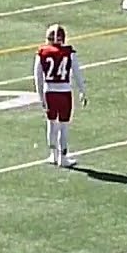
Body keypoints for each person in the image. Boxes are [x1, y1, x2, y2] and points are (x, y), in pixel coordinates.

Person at [34, 24, 87, 167]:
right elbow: (77, 74)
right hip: (64, 93)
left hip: (49, 92)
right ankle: (62, 157)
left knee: (51, 123)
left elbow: (38, 77)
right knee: (63, 125)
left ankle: (53, 154)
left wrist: (41, 96)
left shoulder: (42, 53)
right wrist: (82, 90)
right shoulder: (69, 53)